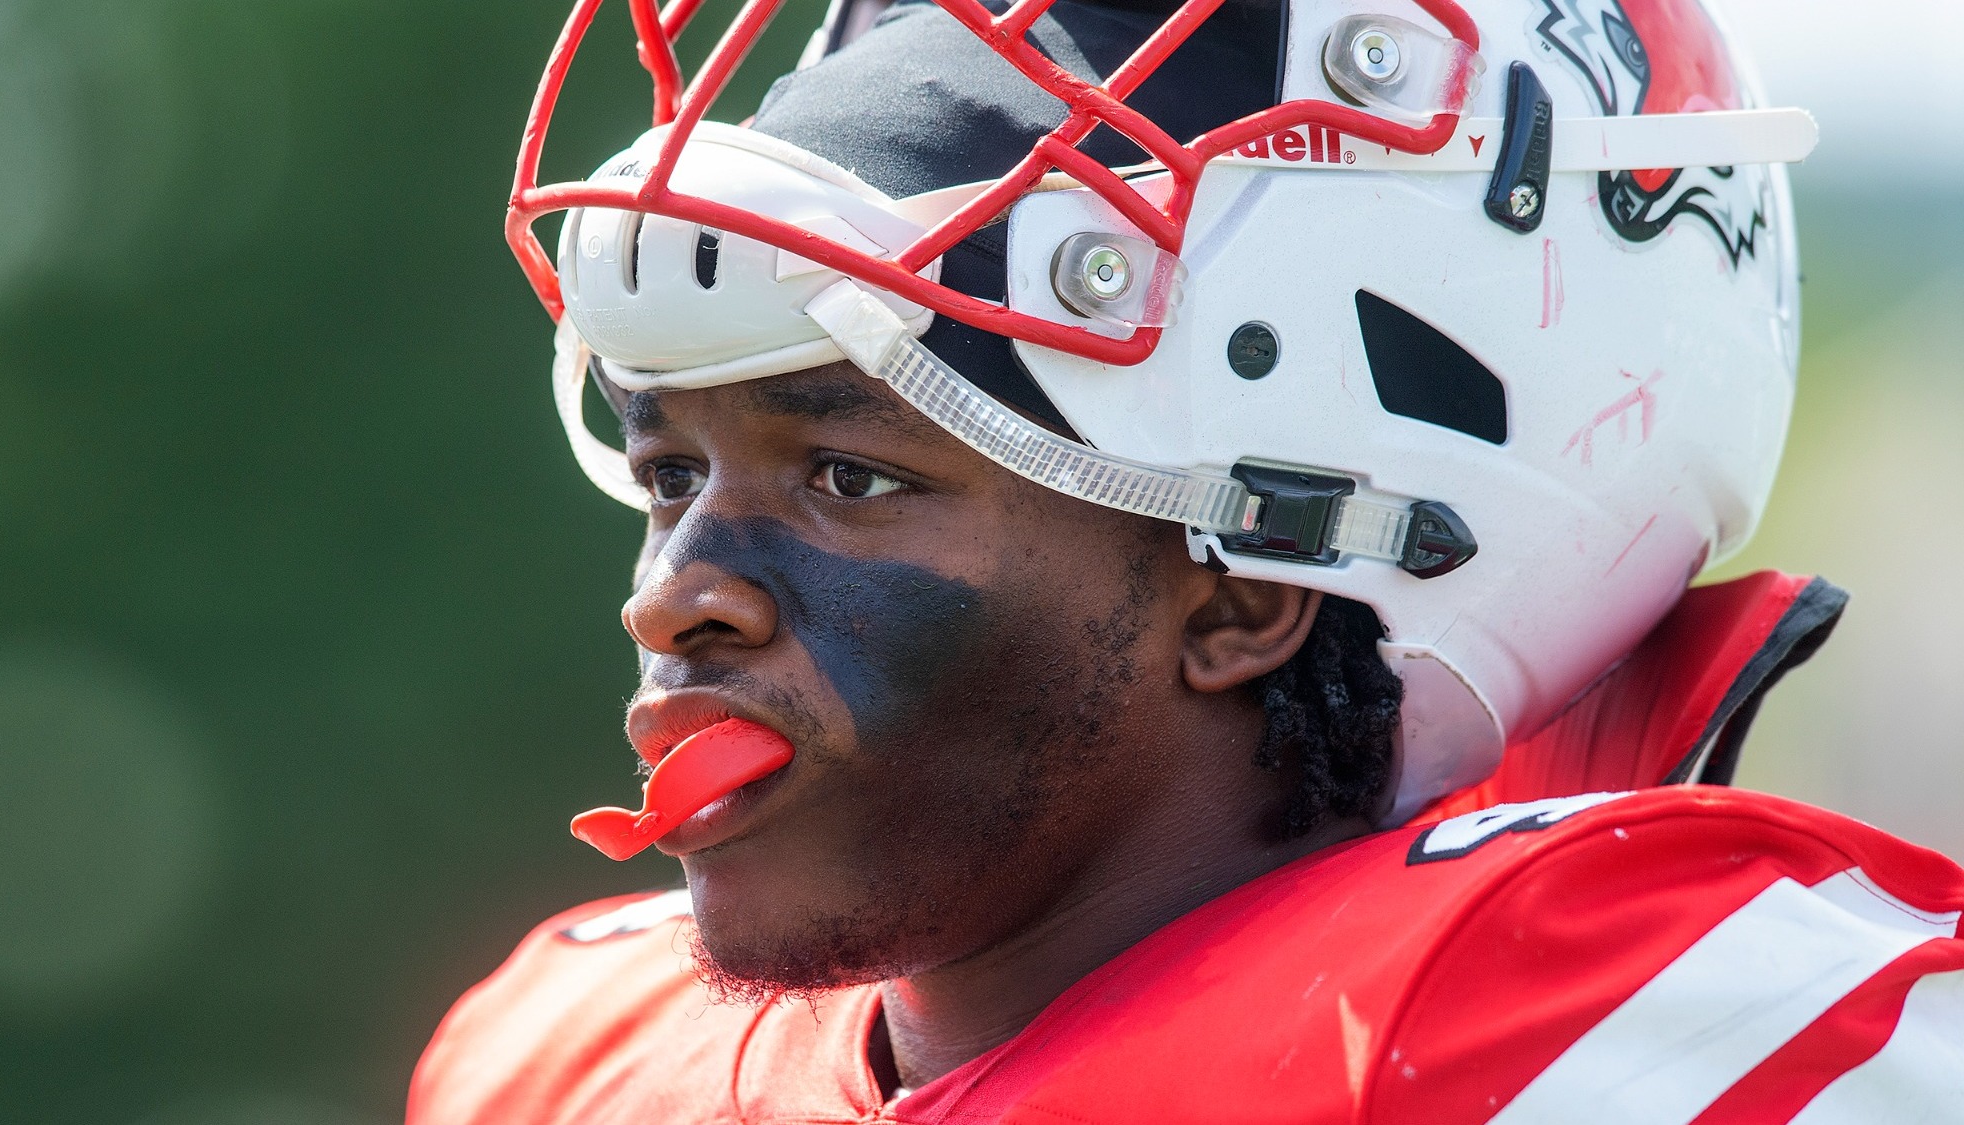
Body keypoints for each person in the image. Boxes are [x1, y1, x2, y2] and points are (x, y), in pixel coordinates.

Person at [409, 0, 1964, 1119]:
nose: (674, 589)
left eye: (850, 474)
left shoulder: (1592, 1031)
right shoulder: (559, 1056)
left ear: (1249, 584)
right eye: (670, 467)